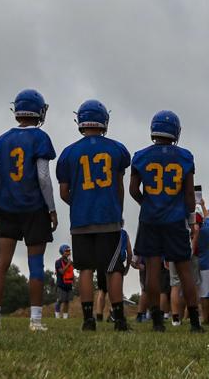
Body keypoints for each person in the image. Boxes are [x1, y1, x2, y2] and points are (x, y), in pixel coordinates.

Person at [55, 99, 132, 331]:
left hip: (81, 219)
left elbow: (64, 192)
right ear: (104, 121)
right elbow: (119, 187)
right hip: (109, 217)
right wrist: (117, 210)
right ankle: (119, 320)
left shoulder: (69, 153)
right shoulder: (117, 149)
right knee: (114, 270)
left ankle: (88, 320)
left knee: (85, 269)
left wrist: (79, 204)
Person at [0, 89, 58, 332]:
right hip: (34, 208)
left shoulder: (3, 139)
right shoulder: (40, 138)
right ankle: (35, 320)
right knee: (35, 263)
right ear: (39, 111)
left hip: (7, 206)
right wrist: (52, 208)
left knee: (1, 262)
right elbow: (43, 178)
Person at [129, 110, 202, 332]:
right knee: (184, 271)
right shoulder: (185, 156)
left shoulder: (140, 155)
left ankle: (158, 321)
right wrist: (186, 212)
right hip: (175, 219)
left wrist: (147, 203)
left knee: (151, 269)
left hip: (150, 219)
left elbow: (133, 190)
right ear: (176, 132)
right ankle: (195, 323)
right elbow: (190, 198)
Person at [54, 245, 74, 319]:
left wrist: (74, 280)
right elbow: (61, 272)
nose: (68, 253)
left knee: (67, 301)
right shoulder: (58, 262)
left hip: (69, 284)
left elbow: (71, 271)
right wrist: (68, 264)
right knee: (60, 300)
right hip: (61, 285)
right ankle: (57, 315)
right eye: (66, 251)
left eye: (69, 251)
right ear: (62, 252)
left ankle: (65, 316)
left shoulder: (70, 262)